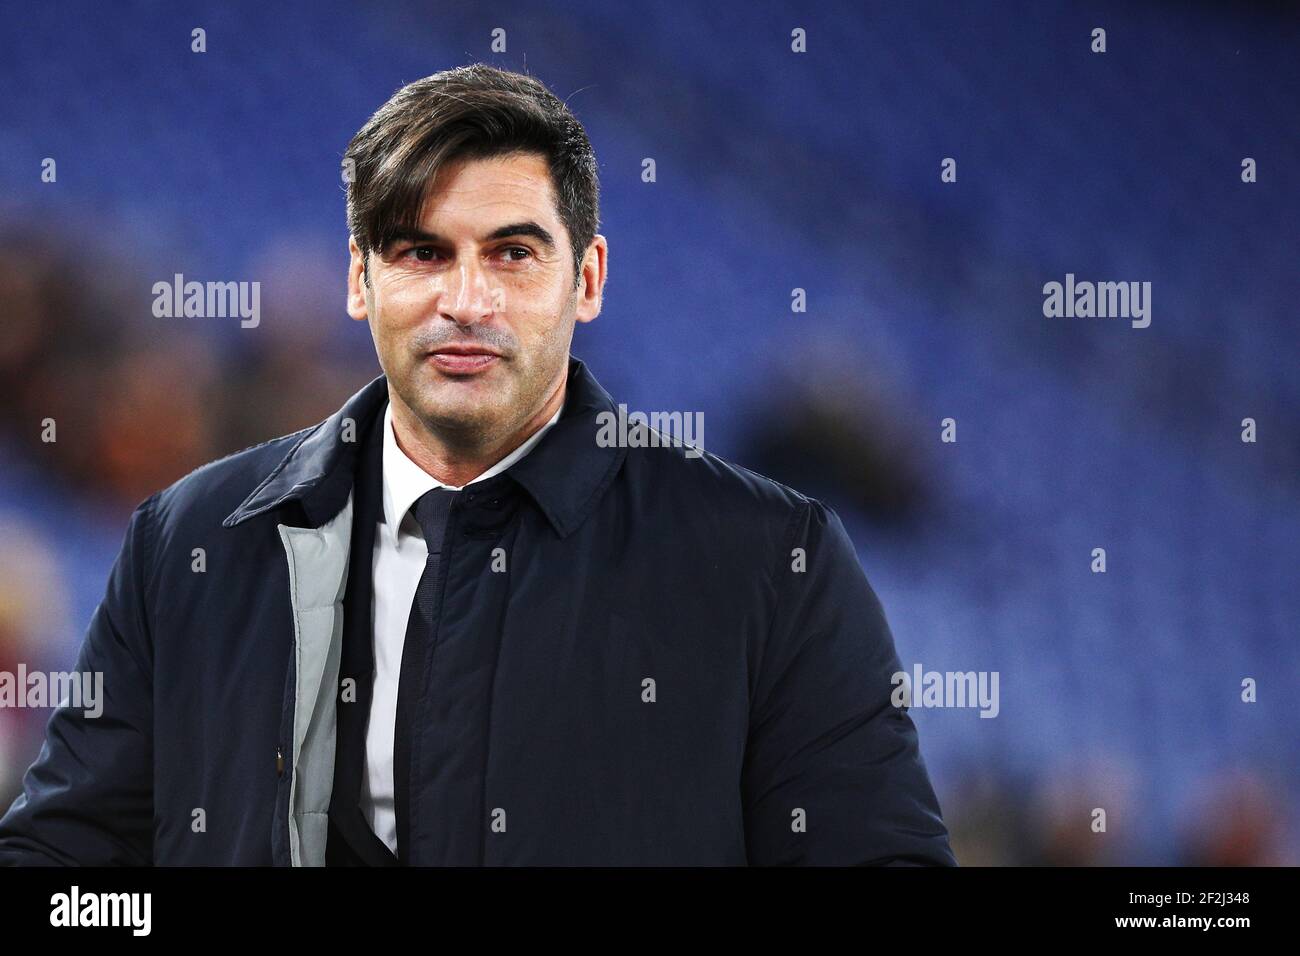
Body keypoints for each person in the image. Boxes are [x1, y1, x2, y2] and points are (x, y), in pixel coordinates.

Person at [0, 64, 954, 866]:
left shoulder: (773, 563)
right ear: (360, 280)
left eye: (512, 254)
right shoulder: (187, 543)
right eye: (421, 251)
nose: (465, 299)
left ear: (587, 280)